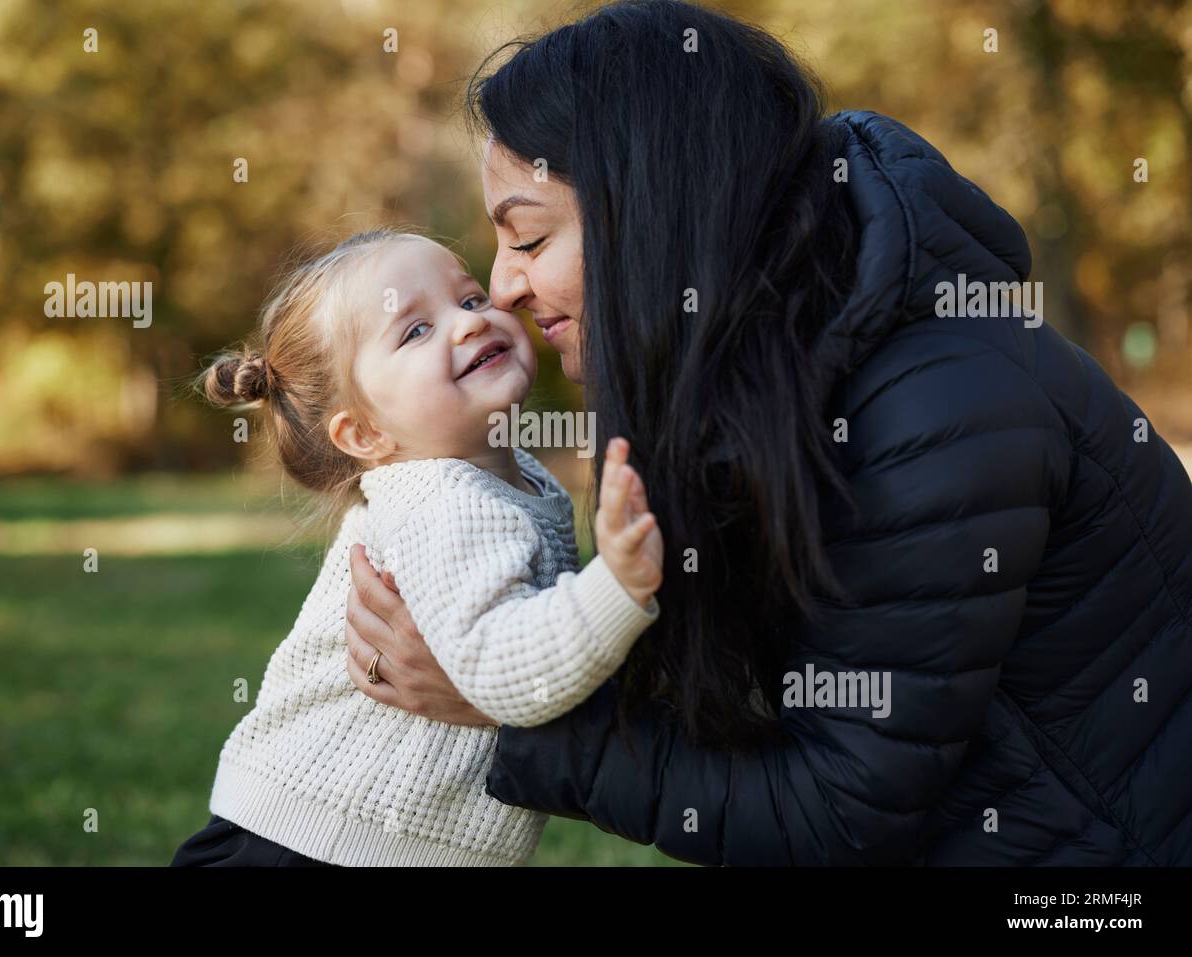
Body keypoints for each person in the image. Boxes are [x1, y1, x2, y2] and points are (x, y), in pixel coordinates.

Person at [342, 0, 1192, 865]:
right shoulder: (772, 374)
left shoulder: (928, 409)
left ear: (656, 213)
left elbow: (839, 813)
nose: (504, 284)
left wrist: (505, 705)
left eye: (527, 235)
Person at [172, 227, 662, 866]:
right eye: (414, 331)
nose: (468, 324)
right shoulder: (443, 500)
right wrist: (618, 586)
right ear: (365, 432)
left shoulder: (511, 477)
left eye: (469, 298)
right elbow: (504, 672)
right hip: (314, 846)